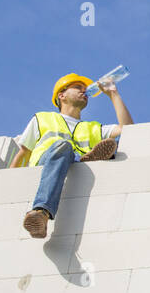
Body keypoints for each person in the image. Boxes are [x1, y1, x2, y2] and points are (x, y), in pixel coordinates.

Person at [11, 73, 134, 238]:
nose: (84, 91)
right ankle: (41, 211)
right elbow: (24, 152)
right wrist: (9, 176)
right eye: (78, 88)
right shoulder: (42, 118)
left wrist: (113, 93)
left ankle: (85, 159)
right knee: (63, 146)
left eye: (85, 89)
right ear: (61, 95)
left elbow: (129, 129)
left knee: (117, 147)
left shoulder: (92, 127)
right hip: (47, 164)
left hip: (77, 167)